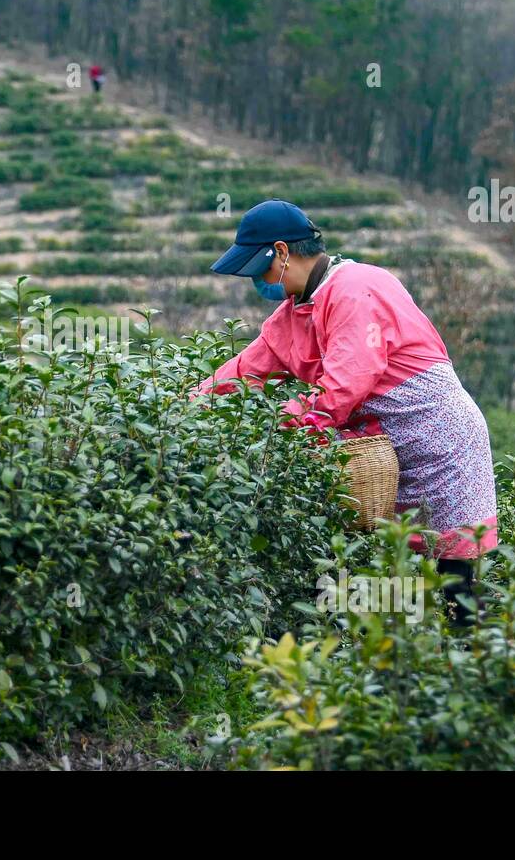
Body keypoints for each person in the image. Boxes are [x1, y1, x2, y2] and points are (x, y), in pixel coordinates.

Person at [194, 199, 497, 627]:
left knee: (455, 580)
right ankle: (397, 667)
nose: (258, 281)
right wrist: (187, 407)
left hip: (438, 439)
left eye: (259, 269)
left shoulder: (355, 288)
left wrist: (291, 425)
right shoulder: (295, 312)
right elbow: (246, 371)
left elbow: (345, 383)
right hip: (385, 449)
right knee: (390, 569)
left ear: (282, 253)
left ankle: (470, 671)